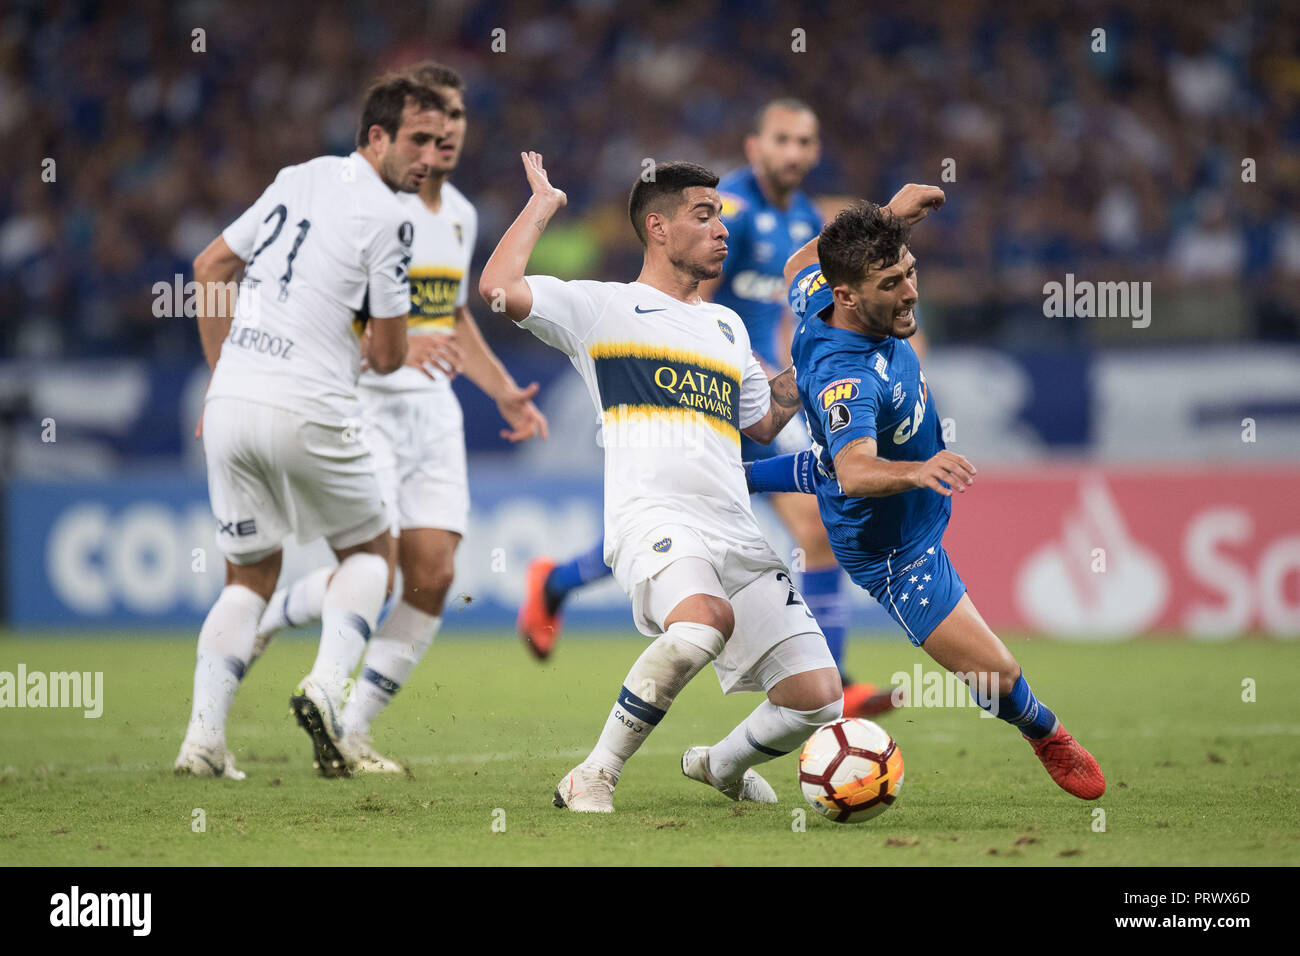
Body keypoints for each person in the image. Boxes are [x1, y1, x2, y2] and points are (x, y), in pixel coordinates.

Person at [516, 100, 891, 718]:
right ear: (755, 147)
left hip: (755, 386)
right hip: (718, 387)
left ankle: (556, 580)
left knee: (712, 520)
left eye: (805, 141)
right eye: (782, 140)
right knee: (749, 522)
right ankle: (837, 680)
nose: (794, 153)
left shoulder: (799, 216)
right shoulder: (728, 215)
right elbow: (693, 305)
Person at [250, 61, 548, 775]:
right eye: (433, 120)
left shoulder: (464, 214)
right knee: (374, 570)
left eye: (457, 119)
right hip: (360, 403)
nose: (446, 134)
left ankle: (348, 730)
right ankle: (265, 619)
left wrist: (502, 387)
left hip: (431, 413)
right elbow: (320, 304)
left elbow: (452, 317)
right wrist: (402, 344)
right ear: (407, 129)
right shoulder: (372, 203)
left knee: (434, 576)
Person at [756, 197, 1105, 800]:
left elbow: (795, 265)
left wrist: (891, 215)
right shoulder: (849, 380)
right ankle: (1044, 731)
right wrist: (919, 470)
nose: (910, 291)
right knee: (996, 673)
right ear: (846, 296)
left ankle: (722, 475)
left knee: (772, 472)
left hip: (844, 476)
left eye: (910, 270)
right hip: (894, 548)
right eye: (891, 283)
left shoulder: (817, 293)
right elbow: (859, 470)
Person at [174, 75, 448, 779]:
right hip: (311, 403)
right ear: (377, 137)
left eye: (436, 139)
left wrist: (220, 376)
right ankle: (328, 689)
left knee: (250, 573)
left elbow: (209, 266)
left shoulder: (298, 176)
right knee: (368, 553)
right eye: (416, 138)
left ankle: (203, 741)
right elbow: (388, 356)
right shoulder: (392, 220)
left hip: (232, 400)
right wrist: (374, 344)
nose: (430, 152)